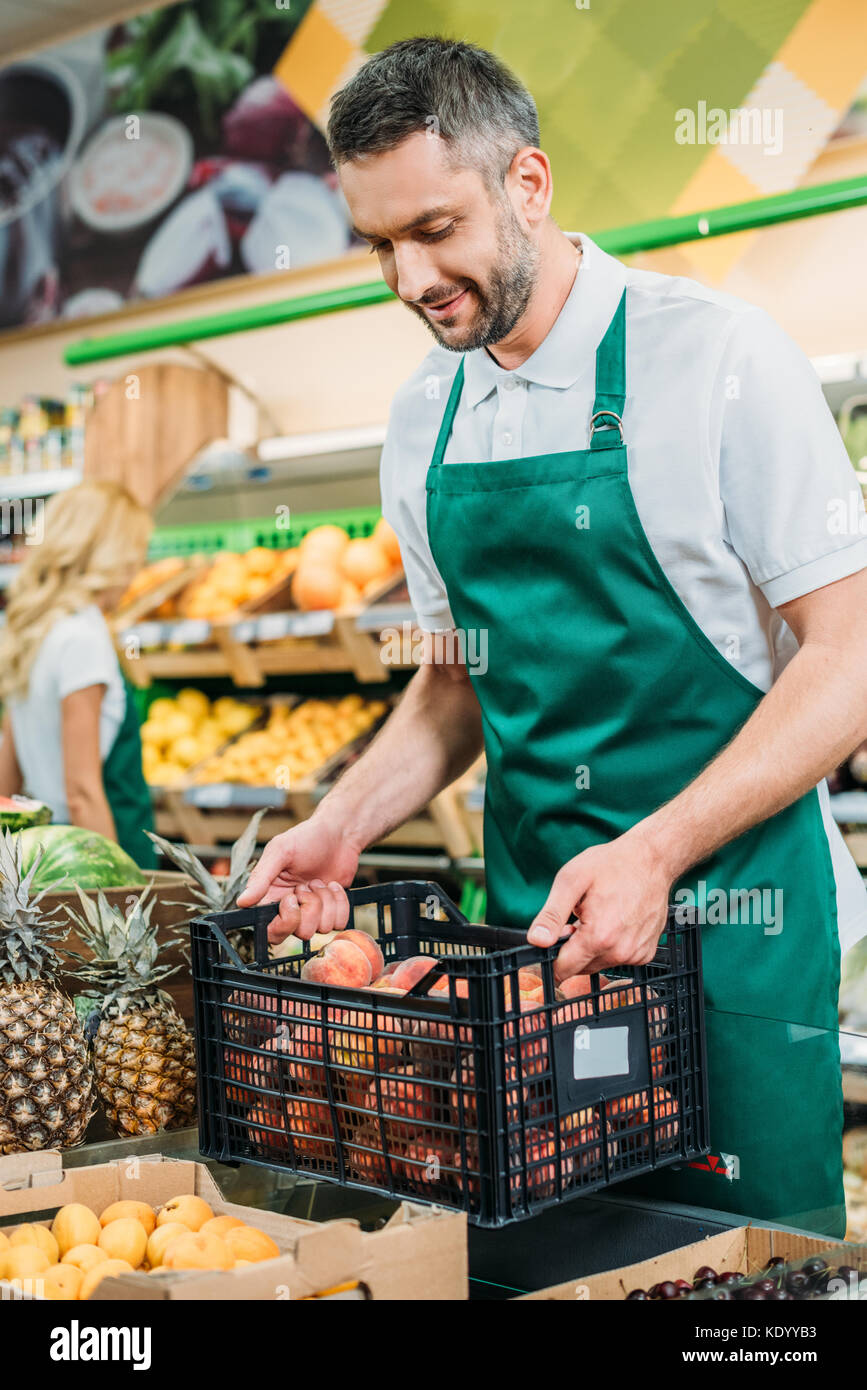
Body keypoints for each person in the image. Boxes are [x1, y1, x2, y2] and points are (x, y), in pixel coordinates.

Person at [239, 38, 867, 1235]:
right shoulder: (425, 413)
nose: (409, 278)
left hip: (733, 938)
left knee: (742, 1294)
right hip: (524, 955)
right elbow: (452, 687)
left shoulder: (720, 361)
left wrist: (656, 851)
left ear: (528, 184)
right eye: (379, 243)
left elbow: (853, 655)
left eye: (435, 227)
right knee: (553, 1267)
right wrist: (339, 826)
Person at [0, 479, 156, 868]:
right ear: (110, 553)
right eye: (135, 553)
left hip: (44, 857)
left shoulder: (35, 633)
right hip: (96, 856)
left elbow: (7, 776)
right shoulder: (83, 638)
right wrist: (118, 900)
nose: (136, 569)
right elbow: (82, 792)